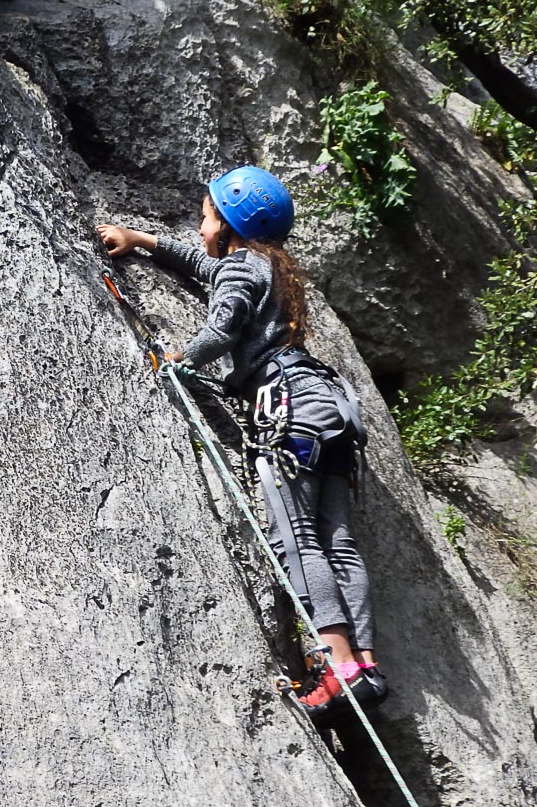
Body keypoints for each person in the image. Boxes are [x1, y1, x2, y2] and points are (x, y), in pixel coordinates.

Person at [96, 166, 385, 715]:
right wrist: (141, 241)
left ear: (230, 225)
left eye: (206, 217)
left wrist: (179, 359)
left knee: (296, 539)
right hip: (330, 407)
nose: (201, 226)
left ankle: (339, 668)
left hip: (288, 409)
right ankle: (364, 666)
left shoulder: (239, 272)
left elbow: (224, 325)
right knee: (338, 541)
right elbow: (210, 268)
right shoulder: (267, 268)